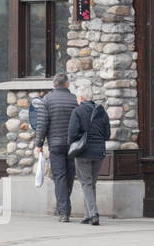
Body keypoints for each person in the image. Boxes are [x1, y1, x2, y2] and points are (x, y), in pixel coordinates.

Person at [34, 74, 79, 222]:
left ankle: (63, 210)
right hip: (72, 144)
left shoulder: (46, 100)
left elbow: (42, 124)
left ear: (54, 85)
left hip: (56, 144)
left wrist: (39, 144)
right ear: (67, 85)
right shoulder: (75, 100)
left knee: (59, 176)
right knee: (70, 175)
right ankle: (64, 206)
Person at [66, 83, 111, 226]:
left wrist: (72, 145)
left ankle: (93, 213)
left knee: (86, 183)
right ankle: (88, 215)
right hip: (99, 152)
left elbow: (72, 134)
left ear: (80, 97)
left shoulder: (77, 111)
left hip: (83, 152)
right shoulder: (101, 111)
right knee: (91, 183)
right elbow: (107, 134)